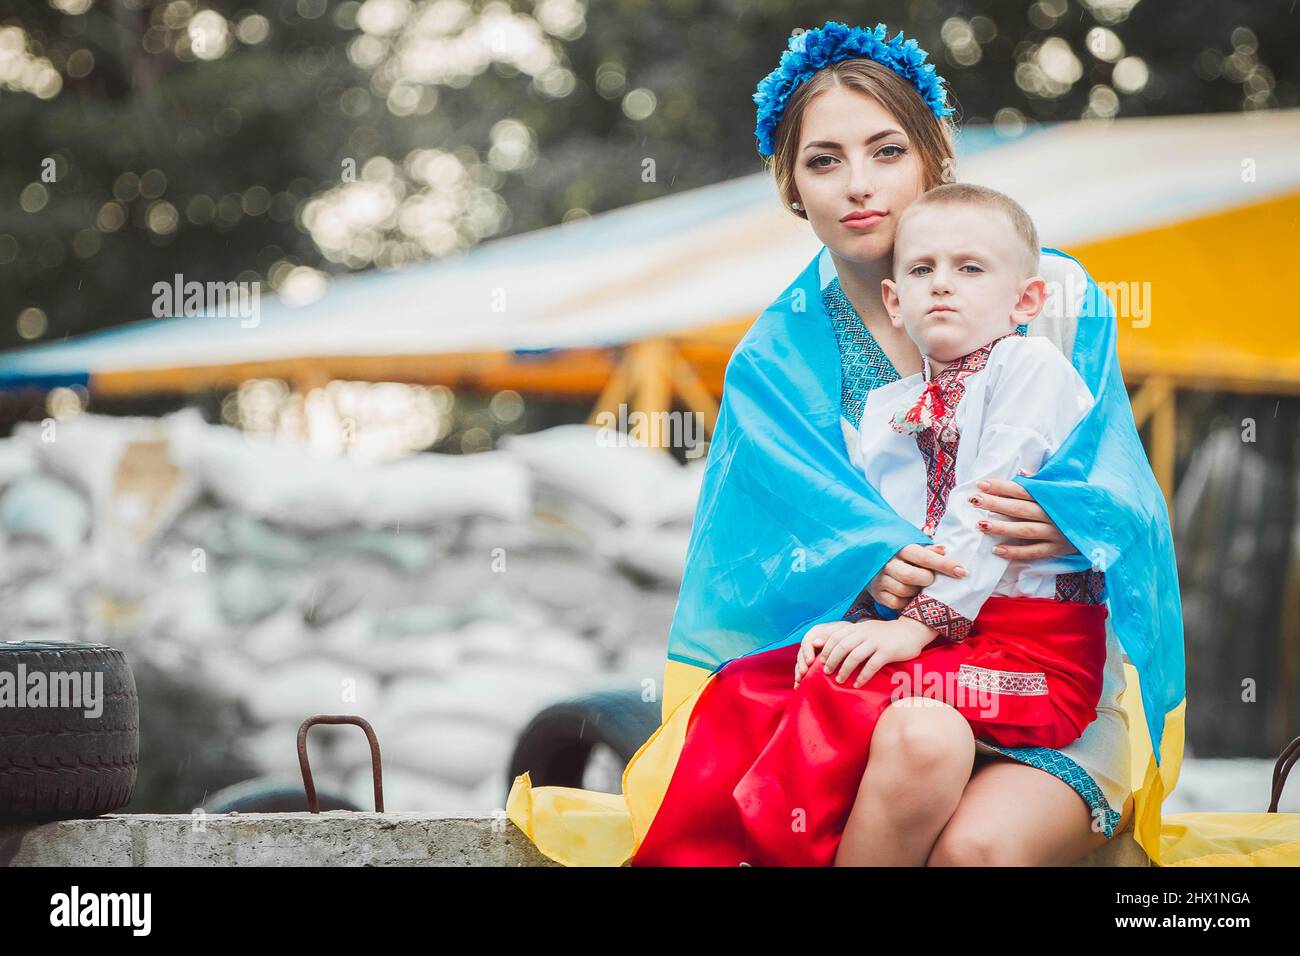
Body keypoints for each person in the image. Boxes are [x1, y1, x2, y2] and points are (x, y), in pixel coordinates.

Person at [506, 20, 1185, 868]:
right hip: (873, 681)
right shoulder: (777, 356)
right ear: (791, 187)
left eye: (887, 151)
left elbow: (1115, 475)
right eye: (823, 160)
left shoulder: (1051, 294)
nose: (859, 186)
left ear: (935, 156)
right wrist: (862, 557)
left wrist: (1071, 517)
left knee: (978, 852)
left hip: (1047, 674)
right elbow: (754, 549)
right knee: (892, 769)